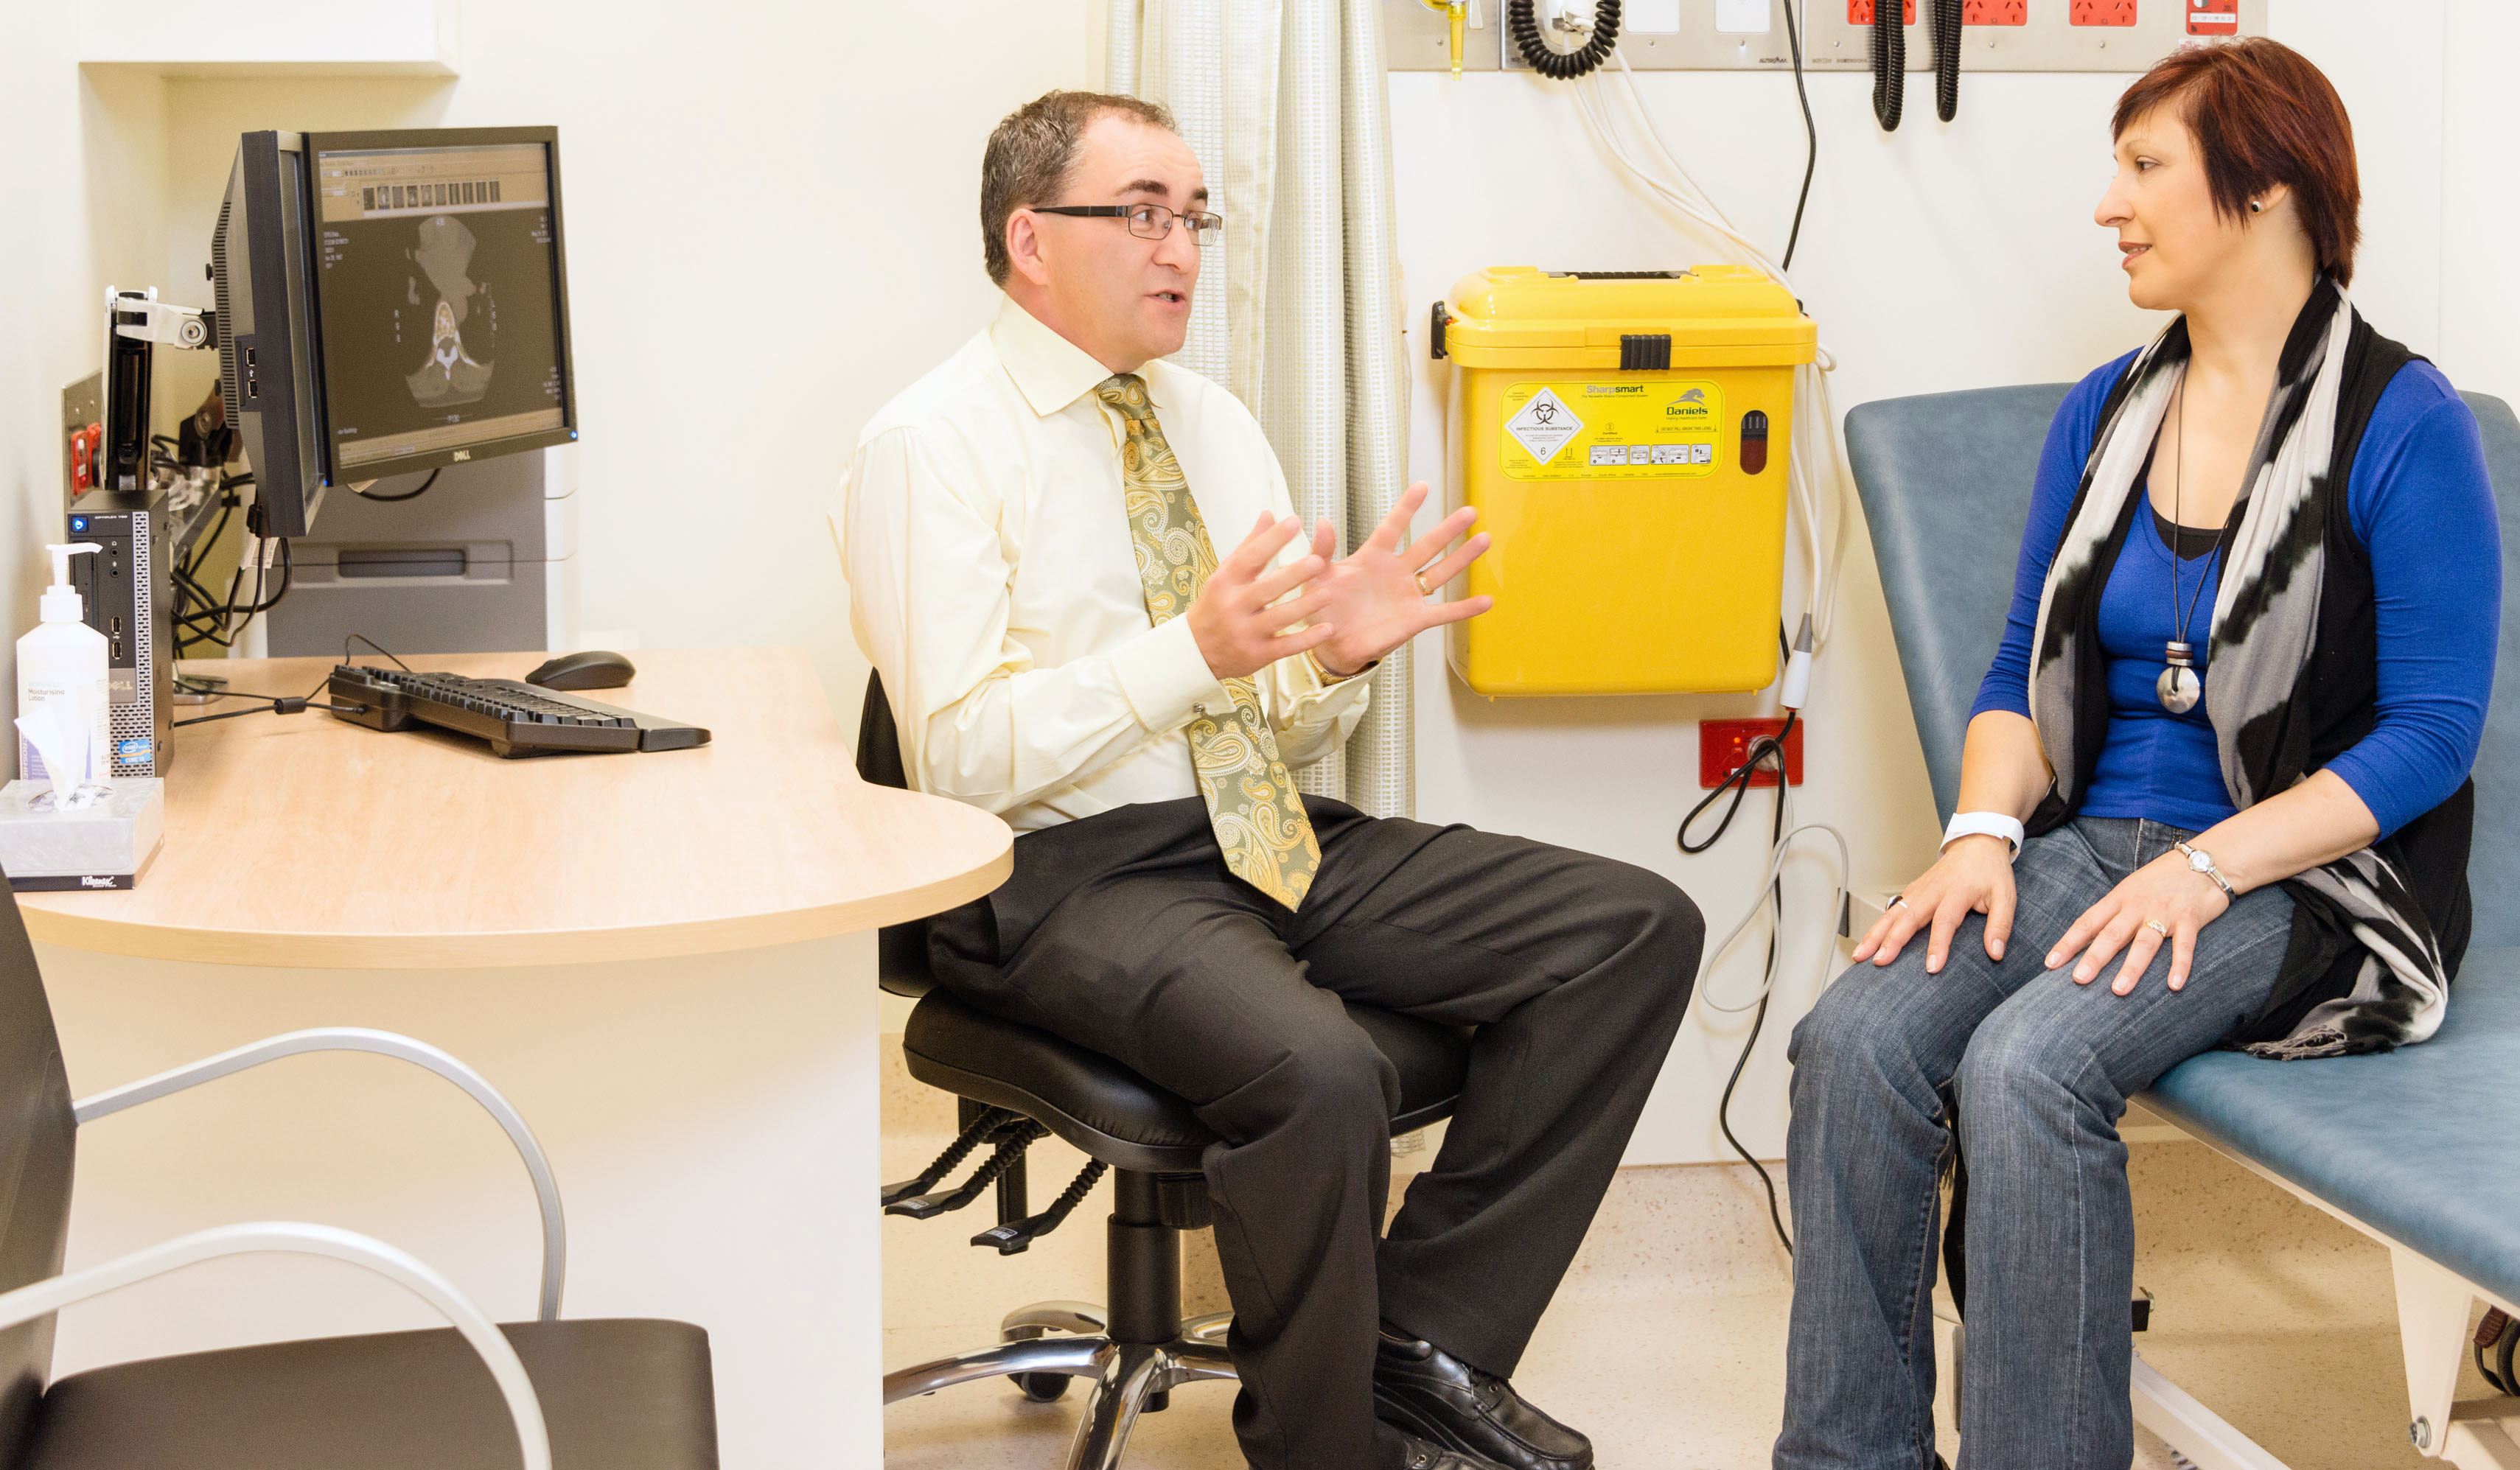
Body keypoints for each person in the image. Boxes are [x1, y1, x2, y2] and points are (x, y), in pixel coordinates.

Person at [845, 90, 1704, 1470]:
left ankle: (1419, 1351)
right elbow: (954, 758)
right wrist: (1191, 653)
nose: (1180, 244)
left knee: (1631, 930)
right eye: (1140, 213)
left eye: (1195, 215)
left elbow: (1272, 717)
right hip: (1055, 875)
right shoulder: (931, 445)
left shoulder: (1210, 417)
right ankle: (1326, 1450)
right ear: (1030, 238)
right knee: (1320, 1071)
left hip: (1260, 830)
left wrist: (1332, 661)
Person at [1776, 39, 2500, 1470]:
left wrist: (2210, 870)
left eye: (2145, 164)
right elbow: (2015, 679)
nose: (2109, 202)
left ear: (2271, 188)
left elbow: (2431, 734)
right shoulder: (2108, 412)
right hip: (2099, 847)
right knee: (1851, 1036)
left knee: (2031, 1064)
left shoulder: (2401, 420)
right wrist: (1983, 832)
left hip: (2312, 883)